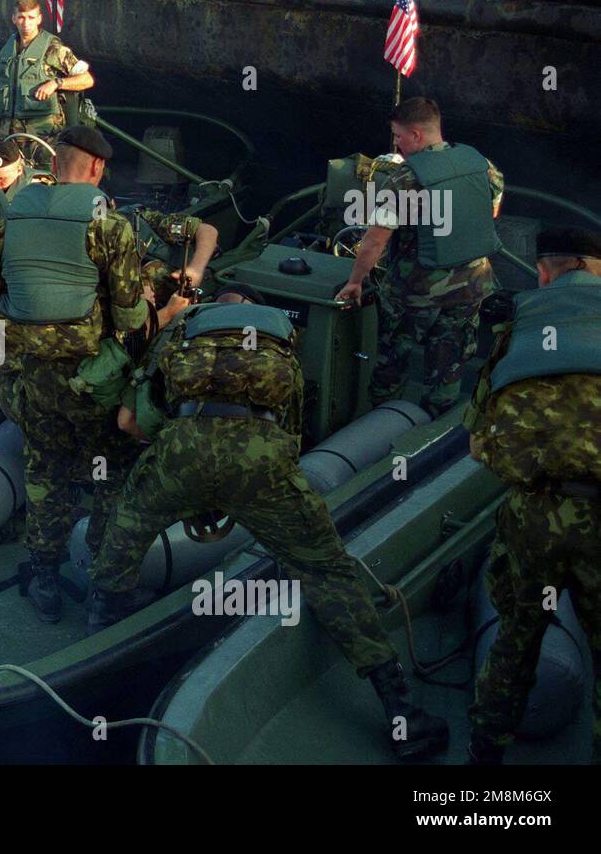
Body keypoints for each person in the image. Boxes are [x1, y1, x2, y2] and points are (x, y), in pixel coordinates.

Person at [86, 284, 450, 760]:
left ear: (213, 306)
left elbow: (136, 422)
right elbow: (292, 430)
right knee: (328, 572)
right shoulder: (280, 340)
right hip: (261, 456)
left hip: (181, 451)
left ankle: (98, 664)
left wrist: (188, 477)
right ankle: (404, 716)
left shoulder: (181, 334)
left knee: (121, 540)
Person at [0, 125, 146, 623]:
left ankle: (43, 574)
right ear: (97, 168)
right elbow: (131, 319)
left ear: (56, 162)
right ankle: (104, 592)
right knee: (111, 478)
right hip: (95, 385)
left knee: (46, 474)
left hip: (36, 382)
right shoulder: (108, 225)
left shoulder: (14, 217)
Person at [464, 225, 601, 765]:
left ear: (545, 271)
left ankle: (483, 763)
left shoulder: (519, 322)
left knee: (514, 645)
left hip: (533, 516)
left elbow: (479, 445)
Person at [335, 97, 504, 418]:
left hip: (416, 290)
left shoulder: (406, 179)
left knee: (393, 356)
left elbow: (374, 241)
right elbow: (490, 211)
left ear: (415, 134)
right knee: (450, 358)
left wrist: (355, 281)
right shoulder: (482, 164)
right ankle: (435, 422)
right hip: (473, 285)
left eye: (398, 136)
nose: (395, 143)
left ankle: (382, 421)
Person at [0, 0, 94, 150]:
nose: (26, 23)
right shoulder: (7, 50)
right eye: (21, 17)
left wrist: (56, 83)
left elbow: (87, 80)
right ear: (14, 19)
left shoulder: (53, 49)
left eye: (31, 17)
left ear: (39, 19)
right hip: (8, 138)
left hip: (43, 141)